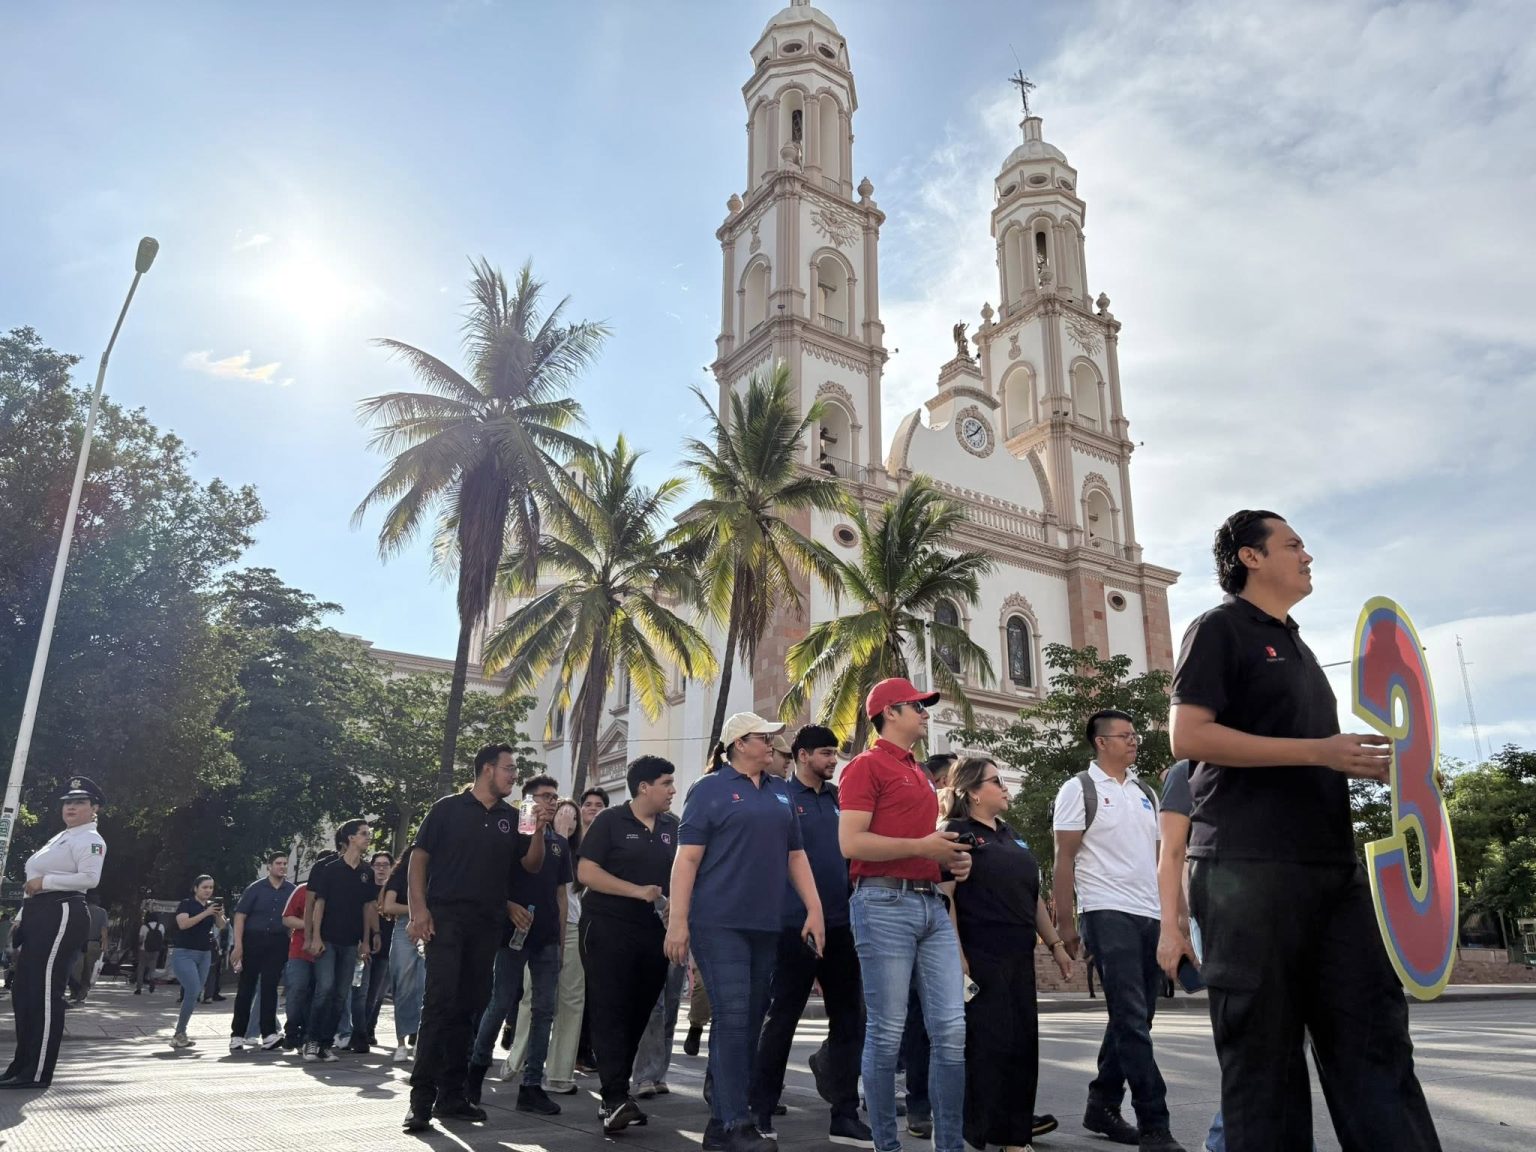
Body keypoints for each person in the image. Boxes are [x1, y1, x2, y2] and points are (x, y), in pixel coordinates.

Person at [1169, 510, 1442, 1152]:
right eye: (1293, 544)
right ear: (1250, 557)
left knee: (1376, 1043)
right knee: (1263, 1065)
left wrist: (1359, 760)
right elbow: (1188, 736)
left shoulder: (1298, 645)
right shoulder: (1219, 628)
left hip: (1331, 870)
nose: (1308, 555)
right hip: (1246, 869)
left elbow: (1308, 747)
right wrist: (1321, 752)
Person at [669, 712, 824, 1152]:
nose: (773, 745)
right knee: (734, 1020)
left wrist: (813, 909)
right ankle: (736, 1121)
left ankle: (721, 1127)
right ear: (739, 744)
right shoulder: (709, 789)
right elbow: (687, 860)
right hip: (717, 922)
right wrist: (678, 922)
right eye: (764, 738)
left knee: (747, 1021)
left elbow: (797, 856)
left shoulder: (779, 792)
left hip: (765, 924)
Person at [838, 678, 973, 1152]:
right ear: (890, 712)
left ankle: (950, 1145)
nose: (926, 711)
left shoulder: (918, 772)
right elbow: (851, 844)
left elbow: (922, 847)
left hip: (930, 902)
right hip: (882, 903)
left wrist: (950, 860)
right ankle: (887, 1146)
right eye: (918, 705)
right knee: (888, 1030)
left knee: (952, 1031)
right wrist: (923, 847)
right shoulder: (864, 767)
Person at [1052, 710, 1181, 1151]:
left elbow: (1165, 858)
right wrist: (1066, 924)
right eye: (1125, 735)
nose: (1134, 741)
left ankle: (1102, 1102)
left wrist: (1175, 919)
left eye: (1136, 734)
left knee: (1137, 1017)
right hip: (1107, 911)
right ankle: (1154, 1125)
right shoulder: (1079, 789)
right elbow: (1064, 859)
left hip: (1149, 914)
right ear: (1100, 742)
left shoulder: (1146, 791)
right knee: (1129, 1016)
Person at [404, 743, 545, 1133]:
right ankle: (420, 1101)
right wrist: (419, 910)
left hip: (487, 924)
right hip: (446, 918)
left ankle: (453, 1095)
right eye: (509, 768)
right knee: (439, 1004)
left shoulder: (516, 816)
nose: (514, 775)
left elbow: (531, 865)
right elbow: (419, 858)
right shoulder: (447, 808)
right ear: (487, 770)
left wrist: (540, 826)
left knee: (470, 1006)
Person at [751, 724, 873, 1148]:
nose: (832, 760)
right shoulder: (779, 797)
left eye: (834, 753)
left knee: (850, 1019)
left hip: (841, 925)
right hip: (792, 926)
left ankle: (844, 1114)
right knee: (782, 1018)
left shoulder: (841, 800)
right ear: (802, 756)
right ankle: (760, 1110)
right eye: (824, 753)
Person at [943, 757, 1072, 1152]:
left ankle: (1014, 1137)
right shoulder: (955, 832)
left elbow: (1031, 899)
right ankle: (977, 1134)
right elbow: (945, 897)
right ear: (973, 792)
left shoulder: (1010, 834)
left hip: (1019, 954)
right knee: (989, 1045)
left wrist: (1056, 945)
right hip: (982, 952)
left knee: (1022, 1045)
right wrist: (956, 954)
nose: (1003, 787)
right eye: (995, 781)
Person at [577, 755, 678, 1135]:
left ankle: (615, 1095)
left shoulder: (673, 826)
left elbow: (684, 872)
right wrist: (637, 891)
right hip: (607, 927)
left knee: (639, 1012)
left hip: (653, 932)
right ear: (643, 787)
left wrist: (677, 913)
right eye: (666, 783)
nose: (672, 790)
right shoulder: (609, 821)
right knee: (610, 1010)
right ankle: (615, 1096)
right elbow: (586, 872)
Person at [468, 774, 568, 1115]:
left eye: (554, 797)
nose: (551, 802)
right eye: (544, 797)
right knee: (501, 1001)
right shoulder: (510, 833)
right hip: (510, 934)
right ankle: (474, 1074)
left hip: (547, 939)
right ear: (527, 801)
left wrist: (561, 939)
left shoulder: (560, 843)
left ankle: (531, 1087)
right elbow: (501, 876)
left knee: (544, 1010)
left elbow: (560, 894)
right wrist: (508, 907)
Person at [1, 776, 107, 1089]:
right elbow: (32, 882)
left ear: (94, 808)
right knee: (24, 993)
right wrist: (21, 917)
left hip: (62, 911)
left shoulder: (91, 839)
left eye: (80, 802)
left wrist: (45, 884)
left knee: (45, 993)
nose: (71, 807)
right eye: (67, 802)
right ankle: (21, 1065)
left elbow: (89, 878)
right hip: (39, 913)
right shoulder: (62, 837)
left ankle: (36, 1072)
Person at [504, 798, 587, 1093]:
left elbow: (572, 890)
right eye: (563, 815)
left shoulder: (582, 851)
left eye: (573, 818)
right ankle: (516, 1058)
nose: (568, 821)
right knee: (534, 996)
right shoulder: (540, 841)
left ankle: (560, 1073)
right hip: (541, 926)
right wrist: (559, 835)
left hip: (575, 926)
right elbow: (542, 877)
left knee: (571, 1000)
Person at [897, 751, 957, 1139]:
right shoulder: (925, 822)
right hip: (922, 921)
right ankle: (919, 1105)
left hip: (952, 930)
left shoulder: (972, 825)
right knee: (915, 1022)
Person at [303, 818, 380, 1062]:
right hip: (327, 939)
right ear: (350, 838)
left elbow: (369, 907)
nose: (368, 837)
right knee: (324, 989)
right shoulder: (330, 869)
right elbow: (318, 904)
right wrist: (314, 937)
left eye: (369, 833)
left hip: (351, 942)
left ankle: (326, 1043)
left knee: (341, 993)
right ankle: (311, 1041)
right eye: (364, 833)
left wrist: (366, 941)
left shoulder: (367, 872)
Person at [229, 851, 296, 1053]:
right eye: (278, 863)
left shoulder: (291, 890)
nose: (282, 867)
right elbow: (240, 916)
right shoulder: (255, 888)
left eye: (285, 863)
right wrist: (238, 945)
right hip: (253, 940)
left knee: (269, 988)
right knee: (246, 988)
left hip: (278, 942)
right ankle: (237, 1035)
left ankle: (268, 1034)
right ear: (269, 866)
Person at [280, 851, 333, 1050]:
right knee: (298, 988)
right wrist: (310, 925)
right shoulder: (302, 890)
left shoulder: (338, 892)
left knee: (320, 993)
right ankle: (292, 1030)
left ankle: (310, 1033)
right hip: (300, 951)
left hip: (326, 951)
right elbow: (286, 918)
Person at [575, 786, 610, 1073]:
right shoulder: (571, 838)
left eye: (599, 804)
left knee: (590, 992)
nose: (593, 808)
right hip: (568, 919)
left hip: (594, 921)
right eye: (588, 804)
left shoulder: (609, 839)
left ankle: (584, 1051)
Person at [169, 875, 226, 1049]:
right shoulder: (186, 904)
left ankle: (181, 1033)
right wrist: (206, 913)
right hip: (184, 953)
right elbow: (183, 924)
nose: (208, 891)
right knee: (193, 990)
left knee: (195, 993)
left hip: (204, 954)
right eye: (204, 887)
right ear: (195, 888)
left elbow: (222, 926)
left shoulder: (211, 907)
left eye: (211, 888)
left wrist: (218, 915)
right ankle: (179, 1033)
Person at [380, 846, 424, 1064]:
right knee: (403, 984)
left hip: (429, 927)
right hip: (404, 927)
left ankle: (420, 1041)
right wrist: (417, 907)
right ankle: (401, 1042)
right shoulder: (400, 875)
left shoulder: (435, 872)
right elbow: (388, 906)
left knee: (425, 986)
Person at [358, 850, 395, 1049]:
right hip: (366, 945)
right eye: (377, 865)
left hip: (387, 947)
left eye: (385, 865)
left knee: (378, 992)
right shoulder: (366, 888)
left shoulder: (395, 890)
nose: (381, 869)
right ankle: (360, 1029)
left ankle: (369, 1028)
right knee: (363, 991)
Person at [68, 891, 110, 1005]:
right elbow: (104, 931)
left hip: (79, 942)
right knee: (88, 970)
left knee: (76, 969)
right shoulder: (102, 912)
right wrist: (105, 948)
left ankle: (73, 992)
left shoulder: (80, 910)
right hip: (94, 944)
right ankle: (82, 994)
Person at [135, 914, 165, 993]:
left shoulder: (144, 927)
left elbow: (140, 939)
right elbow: (162, 938)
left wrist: (139, 946)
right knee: (152, 968)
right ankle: (152, 980)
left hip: (144, 950)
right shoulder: (161, 926)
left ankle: (139, 988)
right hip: (155, 951)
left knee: (141, 968)